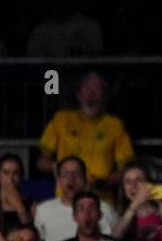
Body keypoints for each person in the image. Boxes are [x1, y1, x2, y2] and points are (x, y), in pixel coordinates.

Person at [36, 72, 135, 200]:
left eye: (97, 89)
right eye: (86, 88)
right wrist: (62, 169)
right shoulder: (61, 120)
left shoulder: (115, 126)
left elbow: (127, 169)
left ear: (105, 96)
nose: (91, 93)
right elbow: (41, 162)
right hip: (66, 199)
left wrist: (103, 183)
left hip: (100, 201)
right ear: (79, 94)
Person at [32, 157, 119, 241]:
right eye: (65, 174)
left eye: (76, 174)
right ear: (59, 180)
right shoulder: (43, 210)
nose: (71, 179)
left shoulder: (104, 208)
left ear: (85, 179)